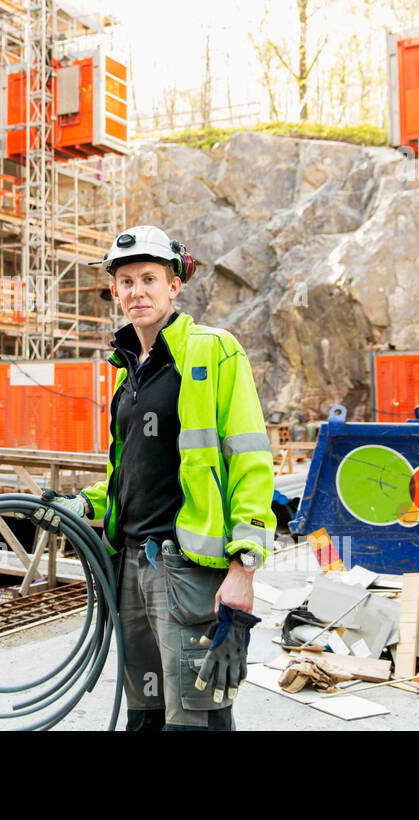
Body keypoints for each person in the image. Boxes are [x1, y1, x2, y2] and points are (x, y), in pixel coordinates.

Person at [39, 224, 276, 731]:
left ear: (174, 284)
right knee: (144, 716)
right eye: (125, 282)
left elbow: (251, 462)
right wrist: (84, 505)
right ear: (115, 292)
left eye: (149, 278)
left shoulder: (214, 352)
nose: (136, 291)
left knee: (196, 716)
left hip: (184, 571)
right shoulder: (127, 374)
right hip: (129, 568)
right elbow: (128, 478)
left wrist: (244, 569)